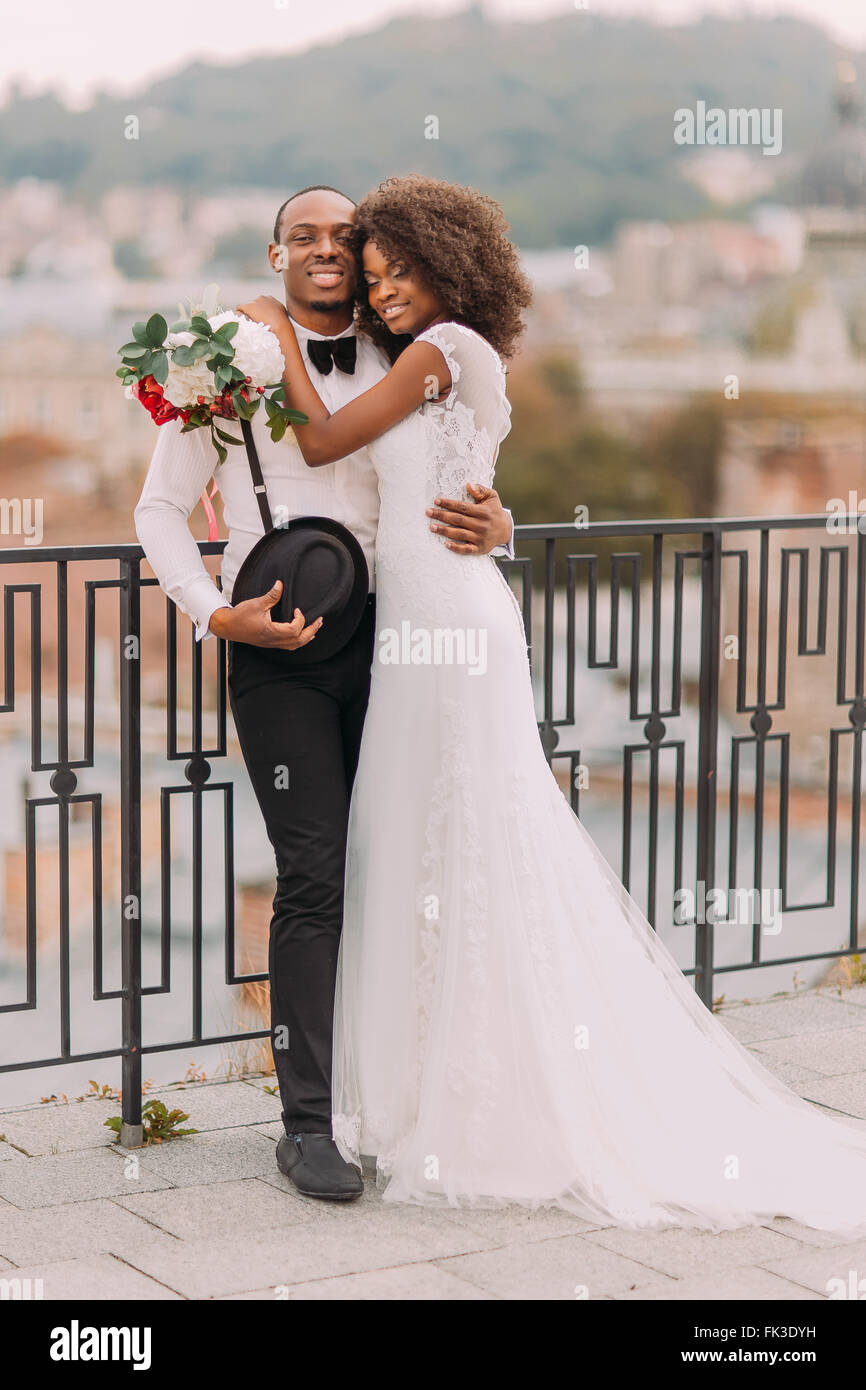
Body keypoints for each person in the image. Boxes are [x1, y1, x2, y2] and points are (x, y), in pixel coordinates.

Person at [238, 172, 866, 1233]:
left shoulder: (451, 350)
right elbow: (442, 473)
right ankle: (423, 1084)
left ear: (448, 265)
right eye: (373, 277)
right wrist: (505, 521)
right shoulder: (423, 357)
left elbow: (322, 441)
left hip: (450, 630)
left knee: (472, 839)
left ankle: (484, 1095)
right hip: (415, 627)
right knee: (429, 851)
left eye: (395, 275)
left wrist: (268, 332)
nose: (380, 293)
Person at [134, 185, 516, 1202]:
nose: (325, 250)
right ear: (272, 254)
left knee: (402, 861)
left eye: (342, 237)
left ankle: (393, 1092)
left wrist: (502, 522)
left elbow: (461, 452)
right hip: (280, 648)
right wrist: (213, 611)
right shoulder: (222, 363)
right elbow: (161, 505)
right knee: (312, 871)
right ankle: (306, 1124)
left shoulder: (407, 345)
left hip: (400, 637)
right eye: (301, 236)